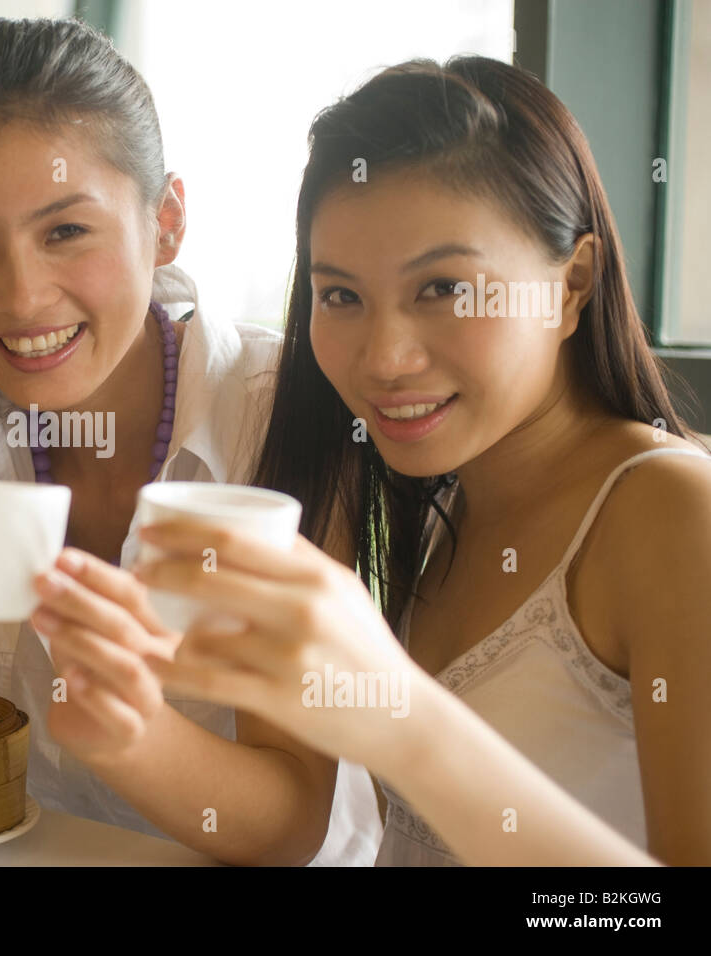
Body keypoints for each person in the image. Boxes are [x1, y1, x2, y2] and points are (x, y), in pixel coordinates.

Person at [0, 17, 382, 866]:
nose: (21, 296)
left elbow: (295, 823)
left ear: (166, 222)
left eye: (67, 231)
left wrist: (125, 730)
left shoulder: (280, 409)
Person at [136, 56, 711, 865]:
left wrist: (400, 717)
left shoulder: (674, 512)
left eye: (443, 289)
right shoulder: (445, 507)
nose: (384, 359)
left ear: (571, 283)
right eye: (341, 295)